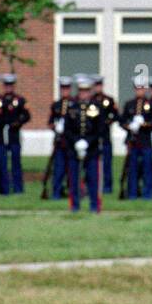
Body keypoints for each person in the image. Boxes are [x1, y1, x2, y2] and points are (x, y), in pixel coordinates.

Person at [65, 76, 104, 213]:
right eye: (81, 91)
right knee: (74, 180)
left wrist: (87, 142)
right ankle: (75, 206)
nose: (84, 94)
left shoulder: (96, 107)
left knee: (93, 179)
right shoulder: (71, 107)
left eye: (86, 91)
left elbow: (100, 129)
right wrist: (76, 142)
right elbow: (67, 129)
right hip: (74, 149)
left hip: (91, 148)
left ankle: (94, 206)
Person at [120, 78, 152, 200]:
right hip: (133, 141)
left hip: (145, 141)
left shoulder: (151, 104)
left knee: (147, 168)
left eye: (141, 88)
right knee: (132, 168)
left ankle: (148, 193)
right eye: (137, 88)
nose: (139, 91)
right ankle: (132, 193)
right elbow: (122, 121)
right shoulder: (129, 104)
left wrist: (144, 124)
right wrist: (129, 125)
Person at [0, 74, 30, 194]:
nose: (8, 88)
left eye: (10, 85)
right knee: (3, 163)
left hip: (14, 135)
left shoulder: (20, 100)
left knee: (16, 163)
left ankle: (18, 188)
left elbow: (26, 116)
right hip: (2, 135)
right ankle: (5, 188)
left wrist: (18, 123)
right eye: (6, 85)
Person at [91, 75, 119, 193]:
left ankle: (107, 186)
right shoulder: (91, 100)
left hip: (105, 135)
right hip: (93, 136)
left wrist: (109, 121)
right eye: (96, 85)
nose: (98, 87)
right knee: (93, 163)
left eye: (100, 85)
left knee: (107, 163)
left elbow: (116, 115)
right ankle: (94, 184)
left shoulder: (108, 100)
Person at [48, 77, 73, 200]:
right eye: (62, 89)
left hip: (71, 142)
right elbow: (50, 122)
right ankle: (56, 192)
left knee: (72, 170)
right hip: (59, 142)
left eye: (67, 88)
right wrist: (55, 126)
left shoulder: (74, 104)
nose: (65, 91)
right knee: (58, 169)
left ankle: (72, 192)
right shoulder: (56, 105)